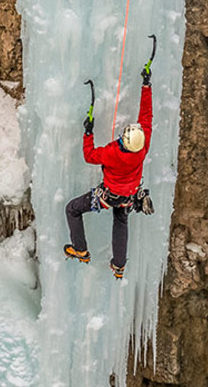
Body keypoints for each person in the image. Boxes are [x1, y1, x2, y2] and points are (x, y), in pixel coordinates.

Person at [64, 62, 152, 279]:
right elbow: (146, 117)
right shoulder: (142, 146)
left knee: (72, 209)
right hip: (129, 195)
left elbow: (89, 155)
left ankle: (80, 249)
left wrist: (88, 133)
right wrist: (146, 86)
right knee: (121, 220)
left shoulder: (112, 153)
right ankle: (119, 264)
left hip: (109, 195)